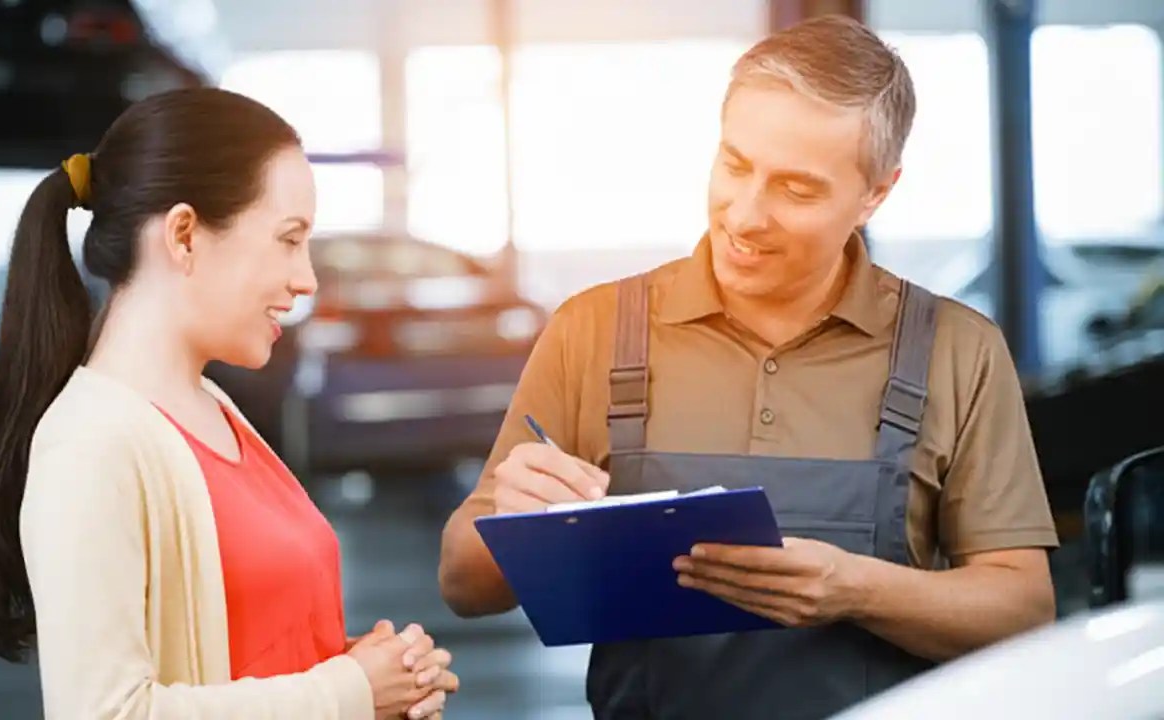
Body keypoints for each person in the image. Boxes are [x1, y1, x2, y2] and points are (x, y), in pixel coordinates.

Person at [439, 15, 1058, 719]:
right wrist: (514, 521)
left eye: (796, 190)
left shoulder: (957, 350)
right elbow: (464, 585)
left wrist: (856, 589)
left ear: (875, 194)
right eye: (735, 164)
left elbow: (1024, 609)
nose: (745, 214)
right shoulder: (595, 330)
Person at [0, 88, 457, 720]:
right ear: (184, 234)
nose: (307, 278)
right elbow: (107, 713)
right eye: (288, 239)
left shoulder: (214, 409)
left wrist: (377, 678)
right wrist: (347, 693)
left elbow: (253, 660)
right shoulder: (90, 444)